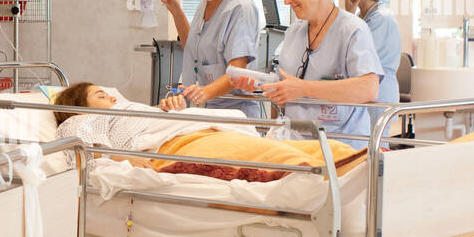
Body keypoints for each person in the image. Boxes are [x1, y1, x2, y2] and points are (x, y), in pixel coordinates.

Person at [50, 81, 366, 177]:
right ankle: (333, 174)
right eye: (100, 95)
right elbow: (87, 153)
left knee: (311, 148)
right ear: (79, 105)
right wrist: (129, 161)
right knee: (269, 156)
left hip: (201, 131)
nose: (111, 94)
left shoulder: (126, 107)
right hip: (174, 147)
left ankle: (358, 160)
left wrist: (169, 110)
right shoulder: (82, 120)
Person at [234, 0, 383, 149]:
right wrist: (260, 87)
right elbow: (288, 87)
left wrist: (303, 88)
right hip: (295, 142)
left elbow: (369, 89)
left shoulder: (352, 30)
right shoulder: (295, 31)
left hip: (339, 146)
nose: (287, 1)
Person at [159, 0, 261, 117]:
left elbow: (237, 71)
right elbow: (192, 48)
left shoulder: (239, 8)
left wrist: (203, 92)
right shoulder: (205, 3)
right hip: (205, 110)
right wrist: (175, 9)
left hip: (234, 114)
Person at [344, 0, 402, 129]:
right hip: (368, 90)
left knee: (375, 147)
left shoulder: (382, 18)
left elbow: (356, 51)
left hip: (380, 91)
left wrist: (347, 15)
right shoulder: (363, 16)